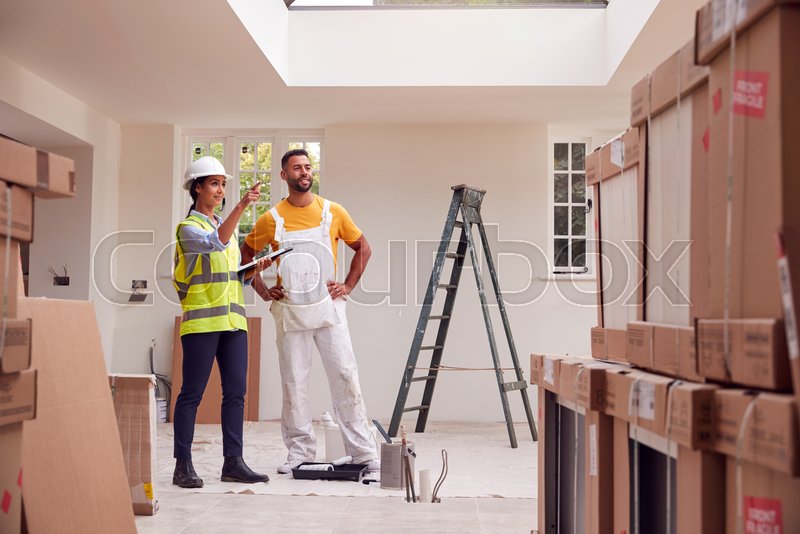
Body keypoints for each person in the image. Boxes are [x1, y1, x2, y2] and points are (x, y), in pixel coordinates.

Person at [241, 148, 379, 474]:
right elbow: (245, 257)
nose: (304, 172)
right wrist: (264, 291)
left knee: (345, 376)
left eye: (307, 167)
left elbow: (363, 247)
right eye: (297, 168)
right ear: (284, 175)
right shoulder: (271, 219)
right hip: (291, 312)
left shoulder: (333, 212)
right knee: (294, 383)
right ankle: (299, 453)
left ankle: (363, 453)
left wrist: (347, 285)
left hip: (329, 310)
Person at [172, 156, 272, 488]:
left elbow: (232, 276)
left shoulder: (222, 227)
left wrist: (252, 270)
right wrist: (242, 205)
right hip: (202, 323)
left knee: (236, 394)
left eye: (223, 184)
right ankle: (182, 465)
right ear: (196, 188)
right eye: (214, 183)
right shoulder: (189, 228)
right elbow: (216, 244)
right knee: (191, 394)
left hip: (233, 322)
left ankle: (233, 463)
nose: (220, 189)